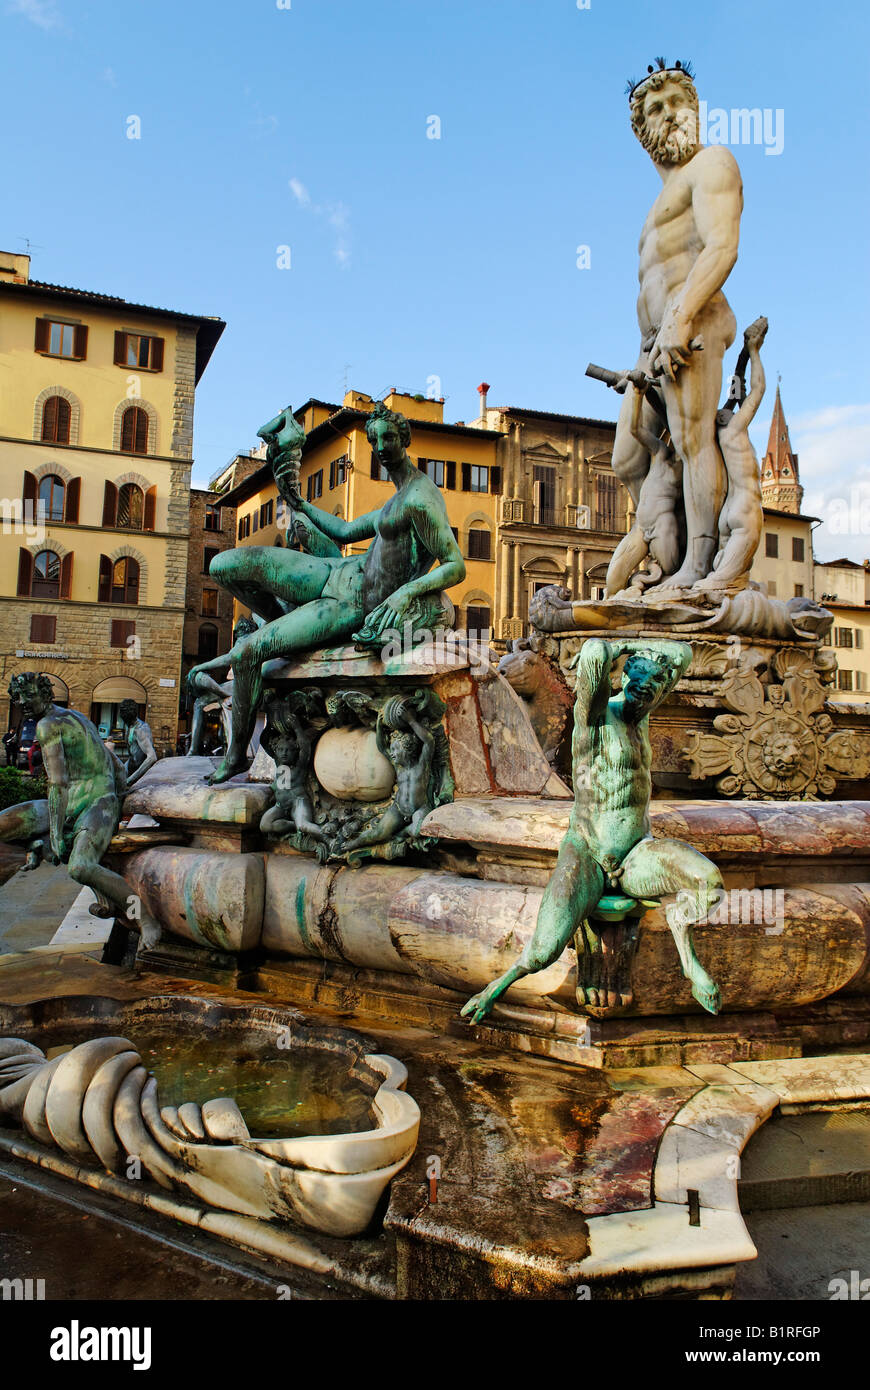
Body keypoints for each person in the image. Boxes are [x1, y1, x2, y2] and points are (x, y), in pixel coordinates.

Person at [191, 401, 465, 783]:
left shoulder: (422, 497)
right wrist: (300, 502)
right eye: (375, 440)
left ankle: (236, 755)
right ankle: (284, 627)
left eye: (389, 438)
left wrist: (406, 593)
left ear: (404, 439)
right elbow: (346, 532)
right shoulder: (398, 497)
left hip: (351, 603)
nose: (382, 447)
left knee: (252, 651)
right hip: (338, 571)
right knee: (223, 566)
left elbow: (456, 564)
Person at [461, 637, 722, 1022]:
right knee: (545, 948)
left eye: (655, 691)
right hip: (589, 851)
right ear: (625, 682)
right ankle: (492, 990)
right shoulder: (596, 717)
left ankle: (686, 953)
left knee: (709, 882)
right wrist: (624, 648)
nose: (647, 698)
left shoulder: (642, 716)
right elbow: (596, 652)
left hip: (637, 853)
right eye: (640, 688)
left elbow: (682, 655)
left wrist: (642, 654)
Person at [608, 60, 742, 594]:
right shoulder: (656, 204)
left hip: (694, 322)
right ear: (643, 133)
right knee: (626, 457)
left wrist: (682, 316)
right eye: (655, 109)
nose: (669, 115)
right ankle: (666, 550)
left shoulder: (712, 163)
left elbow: (723, 246)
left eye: (677, 104)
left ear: (696, 110)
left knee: (692, 439)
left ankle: (699, 567)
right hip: (649, 345)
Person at [0, 673, 162, 949]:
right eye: (17, 697)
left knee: (80, 867)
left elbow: (58, 784)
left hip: (96, 804)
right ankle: (37, 844)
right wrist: (122, 790)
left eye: (28, 694)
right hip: (79, 802)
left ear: (44, 693)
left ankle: (146, 919)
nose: (22, 702)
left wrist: (56, 835)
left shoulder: (48, 726)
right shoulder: (76, 716)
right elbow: (117, 765)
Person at [605, 371, 682, 595]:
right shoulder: (660, 451)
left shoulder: (692, 471)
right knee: (613, 581)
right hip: (640, 527)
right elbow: (635, 429)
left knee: (667, 582)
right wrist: (637, 395)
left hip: (662, 528)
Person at [118, 699, 157, 789]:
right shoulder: (131, 726)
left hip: (140, 777)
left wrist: (130, 779)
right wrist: (122, 769)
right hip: (131, 771)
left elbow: (152, 757)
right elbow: (133, 755)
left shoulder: (140, 730)